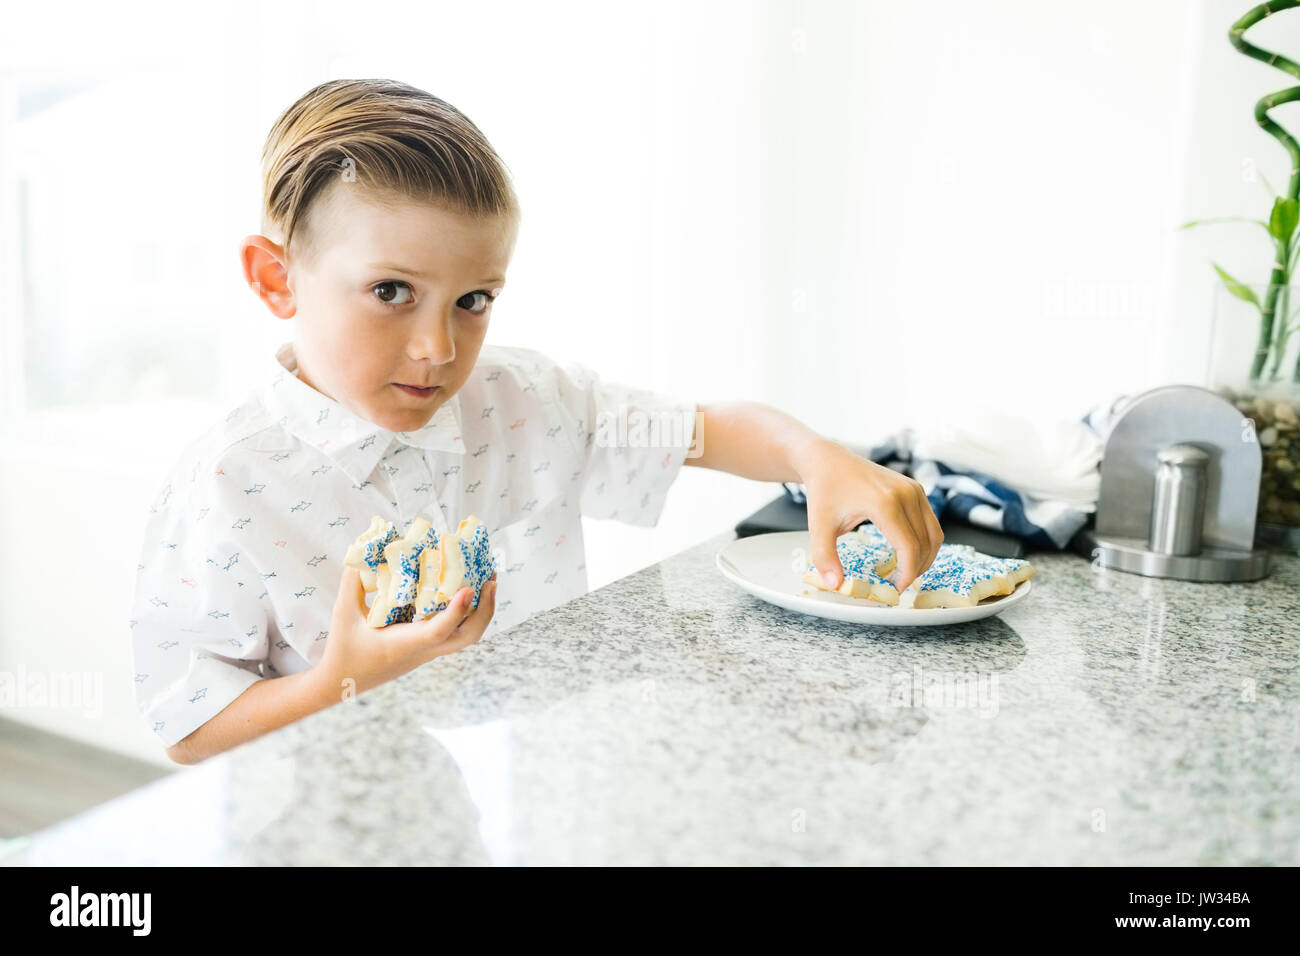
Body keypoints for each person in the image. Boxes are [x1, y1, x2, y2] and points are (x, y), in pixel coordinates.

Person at [130, 78, 941, 765]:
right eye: (390, 292)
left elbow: (709, 430)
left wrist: (818, 458)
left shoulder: (518, 399)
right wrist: (342, 679)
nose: (439, 348)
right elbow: (190, 728)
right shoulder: (229, 481)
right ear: (277, 280)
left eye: (473, 300)